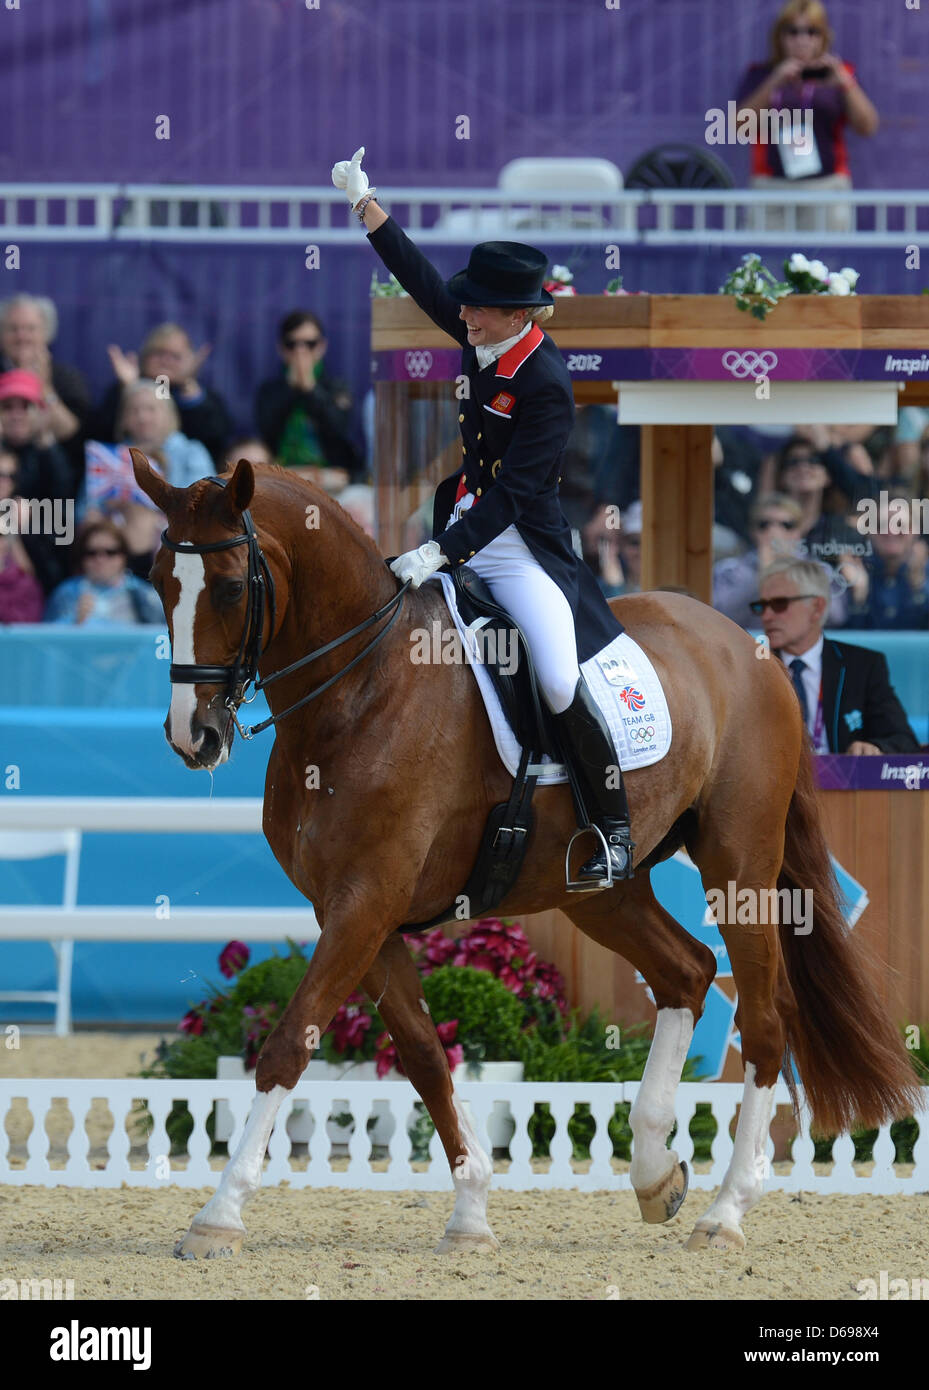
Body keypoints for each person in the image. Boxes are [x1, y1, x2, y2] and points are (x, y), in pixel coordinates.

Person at [332, 146, 635, 883]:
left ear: (517, 312)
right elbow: (427, 285)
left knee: (559, 680)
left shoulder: (546, 385)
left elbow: (517, 495)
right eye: (466, 305)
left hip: (517, 547)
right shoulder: (483, 338)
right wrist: (367, 208)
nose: (460, 313)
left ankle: (613, 829)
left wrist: (440, 551)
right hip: (463, 527)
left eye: (476, 305)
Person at [735, 1, 879, 234]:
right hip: (771, 185)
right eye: (793, 31)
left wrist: (846, 84)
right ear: (779, 36)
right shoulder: (761, 75)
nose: (802, 39)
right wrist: (775, 81)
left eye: (812, 31)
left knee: (822, 266)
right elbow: (738, 126)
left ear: (823, 36)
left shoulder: (839, 74)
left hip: (825, 185)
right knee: (764, 265)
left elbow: (868, 126)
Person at [753, 557, 918, 754]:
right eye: (762, 606)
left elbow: (903, 740)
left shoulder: (863, 666)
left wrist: (874, 748)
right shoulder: (752, 667)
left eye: (779, 604)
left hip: (840, 784)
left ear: (817, 608)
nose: (766, 616)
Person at [93, 324, 233, 467]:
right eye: (159, 353)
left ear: (189, 360)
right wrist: (131, 390)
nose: (166, 361)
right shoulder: (121, 389)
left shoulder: (205, 399)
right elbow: (101, 436)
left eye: (175, 356)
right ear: (145, 357)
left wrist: (189, 391)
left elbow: (215, 441)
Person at [254, 310, 364, 489]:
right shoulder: (269, 390)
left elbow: (339, 430)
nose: (301, 351)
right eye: (292, 344)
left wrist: (310, 389)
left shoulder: (336, 387)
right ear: (281, 348)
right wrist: (290, 389)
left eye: (309, 344)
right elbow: (267, 430)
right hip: (281, 480)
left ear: (321, 346)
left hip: (331, 479)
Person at [713, 492, 849, 629]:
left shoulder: (819, 570)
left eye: (787, 525)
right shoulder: (730, 570)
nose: (774, 531)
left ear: (799, 531)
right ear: (753, 531)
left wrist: (793, 573)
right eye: (764, 524)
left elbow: (836, 616)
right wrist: (762, 576)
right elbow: (720, 614)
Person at [0, 294, 91, 461]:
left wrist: (45, 387)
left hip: (50, 474)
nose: (22, 336)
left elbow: (71, 434)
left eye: (30, 329)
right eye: (13, 329)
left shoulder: (67, 377)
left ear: (46, 333)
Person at [44, 520, 162, 626]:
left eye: (110, 552)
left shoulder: (144, 595)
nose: (100, 559)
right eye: (92, 552)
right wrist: (74, 622)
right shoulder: (66, 594)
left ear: (124, 556)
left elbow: (163, 637)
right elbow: (47, 640)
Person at [0, 449, 44, 623]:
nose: (5, 482)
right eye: (0, 474)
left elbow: (28, 576)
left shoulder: (25, 517)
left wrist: (12, 529)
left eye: (11, 476)